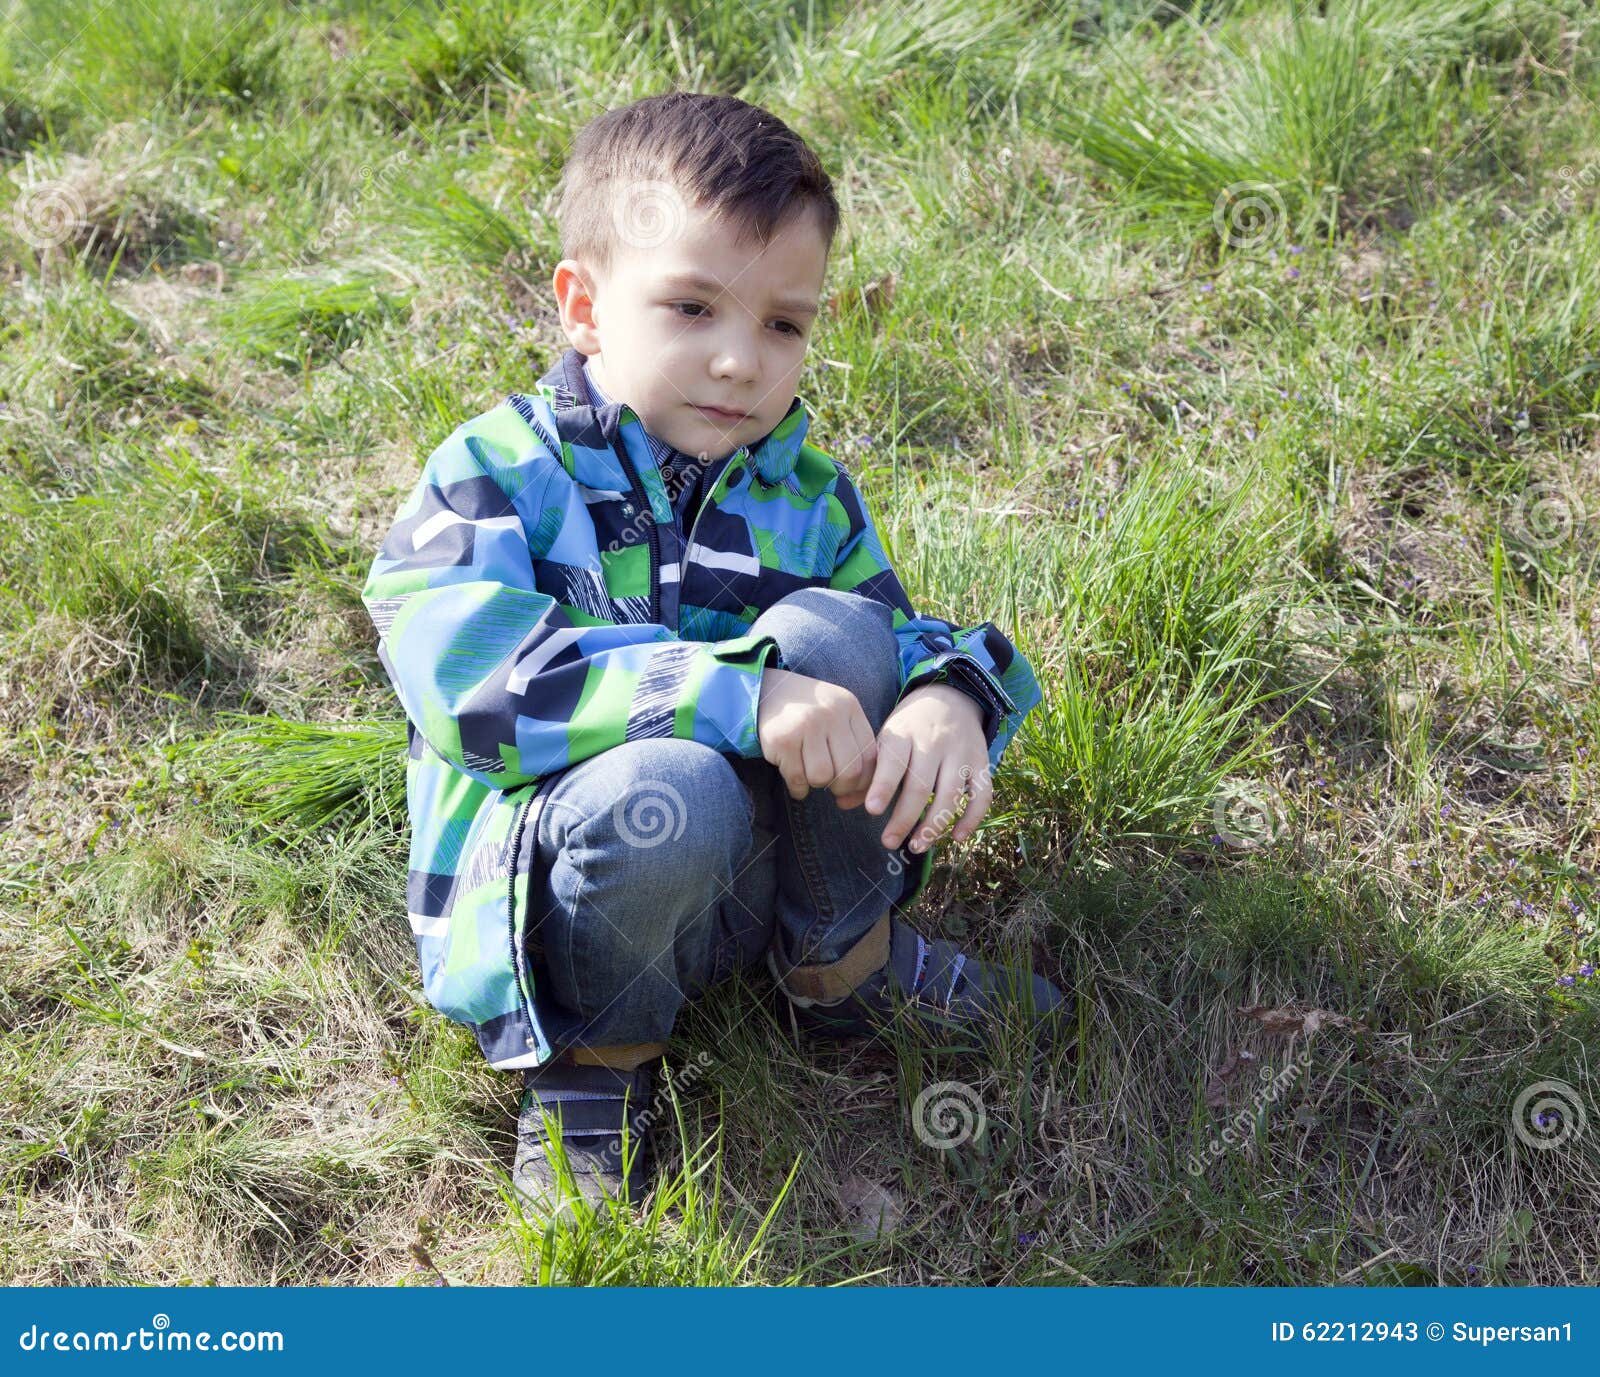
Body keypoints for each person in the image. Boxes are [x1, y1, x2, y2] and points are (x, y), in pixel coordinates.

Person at [360, 91, 1063, 1215]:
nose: (741, 361)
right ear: (584, 307)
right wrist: (733, 696)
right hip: (584, 896)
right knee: (671, 782)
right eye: (692, 307)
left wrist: (950, 696)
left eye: (783, 324)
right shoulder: (495, 472)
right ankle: (599, 1065)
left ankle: (838, 969)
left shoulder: (804, 490)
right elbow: (476, 686)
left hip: (753, 884)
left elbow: (885, 630)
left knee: (837, 632)